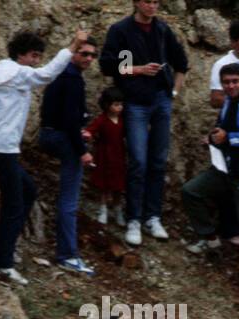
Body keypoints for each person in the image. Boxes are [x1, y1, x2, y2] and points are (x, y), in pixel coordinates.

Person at [0, 29, 87, 285]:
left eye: (38, 56)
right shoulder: (19, 73)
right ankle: (2, 264)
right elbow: (47, 74)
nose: (36, 61)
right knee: (13, 205)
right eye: (34, 55)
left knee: (28, 190)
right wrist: (73, 45)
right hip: (4, 148)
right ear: (20, 55)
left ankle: (7, 248)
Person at [181, 64, 239, 304]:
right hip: (224, 169)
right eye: (226, 82)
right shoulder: (228, 103)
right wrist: (213, 139)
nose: (230, 86)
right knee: (191, 191)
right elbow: (223, 129)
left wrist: (228, 138)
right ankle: (209, 238)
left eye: (235, 81)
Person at [100, 0, 189, 248]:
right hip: (135, 101)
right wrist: (138, 69)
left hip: (161, 100)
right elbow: (107, 65)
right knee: (138, 161)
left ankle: (153, 217)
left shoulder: (162, 29)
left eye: (156, 2)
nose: (152, 6)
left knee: (158, 161)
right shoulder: (121, 30)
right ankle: (134, 219)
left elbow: (181, 62)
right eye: (147, 1)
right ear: (136, 3)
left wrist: (173, 93)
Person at [38, 35, 98, 277]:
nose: (89, 59)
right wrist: (82, 151)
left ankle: (67, 252)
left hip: (50, 133)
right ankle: (68, 255)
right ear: (74, 53)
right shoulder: (72, 79)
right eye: (84, 53)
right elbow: (71, 120)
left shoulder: (62, 74)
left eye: (92, 55)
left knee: (68, 198)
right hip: (63, 138)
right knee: (69, 201)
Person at [85, 87, 128, 228]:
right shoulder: (102, 120)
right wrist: (87, 134)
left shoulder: (122, 120)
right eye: (116, 104)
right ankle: (102, 209)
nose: (120, 107)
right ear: (107, 105)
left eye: (121, 104)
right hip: (104, 156)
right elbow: (91, 130)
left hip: (119, 156)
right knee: (104, 185)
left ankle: (117, 210)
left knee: (118, 186)